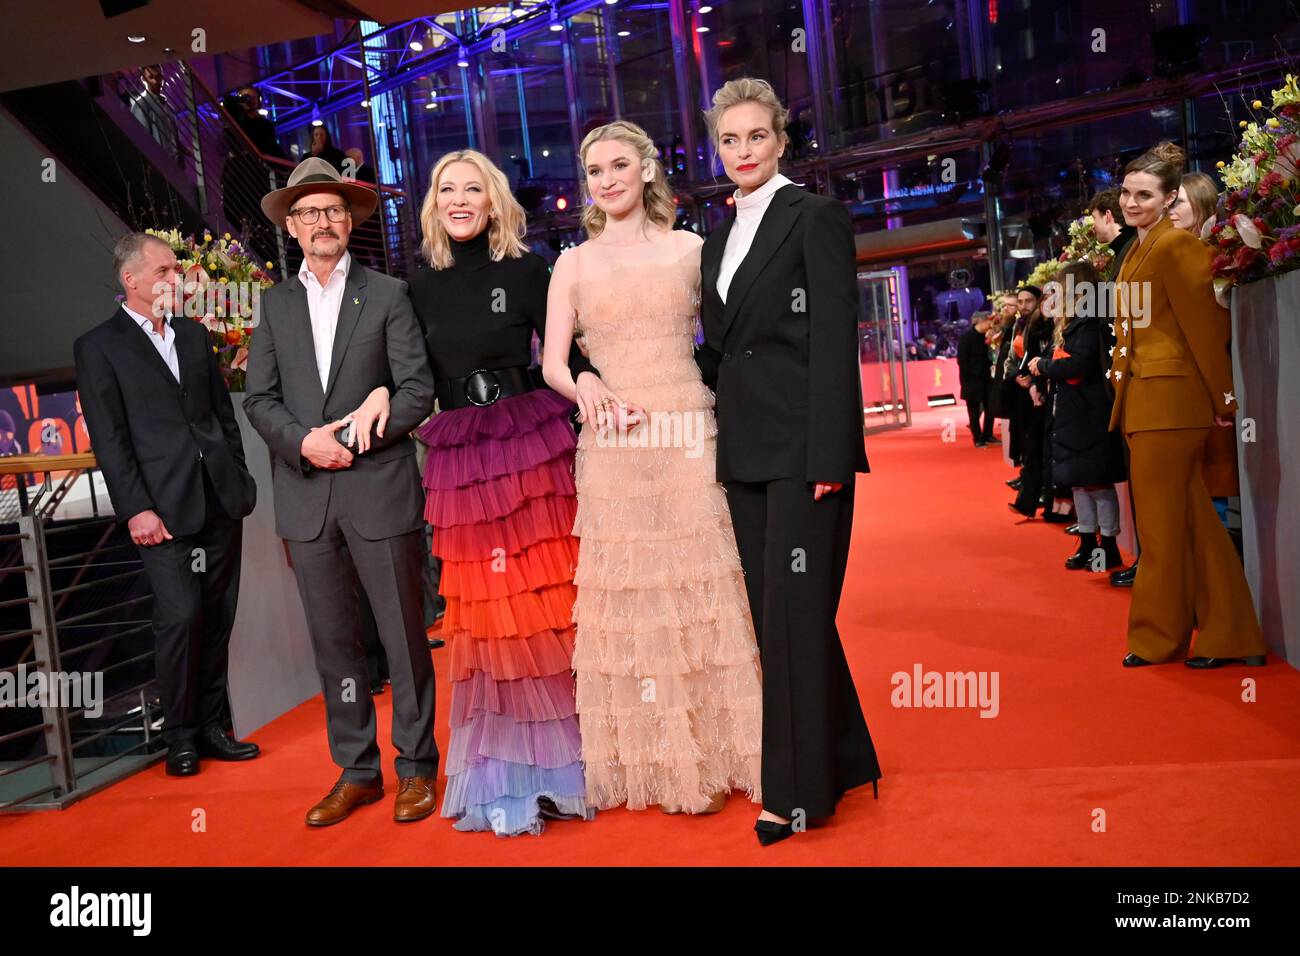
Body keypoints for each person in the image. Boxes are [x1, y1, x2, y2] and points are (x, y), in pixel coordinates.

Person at [541, 120, 764, 821]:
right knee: (632, 590)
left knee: (700, 580)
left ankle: (726, 749)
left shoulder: (692, 250)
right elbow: (551, 362)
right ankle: (659, 760)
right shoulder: (572, 264)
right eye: (593, 171)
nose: (605, 180)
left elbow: (733, 339)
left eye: (617, 166)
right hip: (611, 440)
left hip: (687, 427)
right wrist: (588, 386)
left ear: (645, 170)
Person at [697, 78, 880, 846]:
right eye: (730, 140)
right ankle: (843, 755)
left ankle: (796, 796)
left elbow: (836, 340)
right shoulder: (715, 236)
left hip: (806, 452)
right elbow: (722, 352)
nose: (743, 151)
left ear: (781, 140)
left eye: (756, 137)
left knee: (796, 617)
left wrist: (831, 452)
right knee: (781, 622)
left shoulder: (815, 215)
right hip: (743, 454)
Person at [243, 157, 441, 825]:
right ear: (292, 227)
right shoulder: (273, 303)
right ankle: (357, 771)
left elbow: (417, 391)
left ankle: (416, 767)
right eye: (308, 213)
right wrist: (303, 441)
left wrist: (353, 439)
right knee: (335, 644)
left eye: (333, 210)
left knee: (403, 636)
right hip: (306, 495)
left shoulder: (388, 293)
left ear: (349, 221)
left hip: (378, 488)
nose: (321, 222)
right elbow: (259, 399)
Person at [406, 148, 595, 835]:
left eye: (473, 190)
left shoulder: (527, 270)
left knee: (548, 605)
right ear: (434, 204)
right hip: (461, 457)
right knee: (486, 617)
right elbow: (409, 378)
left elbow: (565, 357)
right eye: (447, 189)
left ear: (494, 202)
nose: (459, 200)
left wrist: (600, 387)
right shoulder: (418, 287)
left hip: (530, 445)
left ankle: (574, 764)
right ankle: (507, 775)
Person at [73, 232, 259, 776]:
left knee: (219, 618)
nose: (175, 279)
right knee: (182, 615)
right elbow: (110, 437)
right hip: (161, 510)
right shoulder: (98, 346)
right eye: (165, 271)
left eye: (175, 270)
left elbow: (222, 417)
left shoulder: (195, 336)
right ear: (131, 280)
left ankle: (210, 727)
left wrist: (239, 476)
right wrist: (136, 508)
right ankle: (178, 735)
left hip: (219, 500)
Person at [1107, 141, 1266, 670]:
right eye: (1127, 193)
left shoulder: (1175, 246)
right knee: (1193, 523)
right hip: (1147, 403)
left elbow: (1206, 328)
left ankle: (1159, 637)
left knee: (1160, 529)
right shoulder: (1137, 250)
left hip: (1172, 407)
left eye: (1144, 195)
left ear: (1170, 196)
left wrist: (1224, 398)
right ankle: (1230, 633)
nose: (1131, 203)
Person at [1029, 261, 1126, 570]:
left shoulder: (1089, 320)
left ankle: (1107, 546)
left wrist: (1043, 367)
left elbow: (1079, 365)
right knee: (1079, 482)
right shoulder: (1077, 321)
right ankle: (1088, 542)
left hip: (1088, 411)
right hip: (1075, 411)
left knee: (1096, 482)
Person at [1008, 285, 1052, 517]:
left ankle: (1046, 499)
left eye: (1029, 301)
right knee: (1034, 446)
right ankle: (1029, 500)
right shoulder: (1025, 326)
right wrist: (1020, 376)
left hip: (1049, 389)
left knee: (1042, 448)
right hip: (1032, 390)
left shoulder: (1052, 325)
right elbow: (1020, 359)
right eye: (1020, 301)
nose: (1023, 305)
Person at [958, 310, 995, 446]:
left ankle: (988, 434)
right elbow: (962, 361)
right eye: (989, 321)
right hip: (971, 381)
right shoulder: (966, 338)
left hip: (986, 379)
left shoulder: (986, 337)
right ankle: (978, 438)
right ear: (982, 321)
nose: (991, 324)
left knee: (990, 408)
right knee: (973, 411)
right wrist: (969, 377)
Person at [129, 64, 178, 161]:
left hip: (175, 162)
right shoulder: (141, 105)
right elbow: (143, 141)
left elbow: (172, 134)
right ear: (143, 79)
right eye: (151, 77)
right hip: (161, 163)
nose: (155, 81)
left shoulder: (166, 105)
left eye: (158, 77)